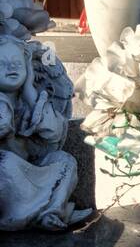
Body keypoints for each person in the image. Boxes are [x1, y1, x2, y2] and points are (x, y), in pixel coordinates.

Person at [0, 35, 90, 231]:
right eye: (3, 63)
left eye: (17, 63)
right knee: (6, 163)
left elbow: (54, 135)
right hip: (7, 175)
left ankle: (52, 212)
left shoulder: (32, 99)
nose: (11, 68)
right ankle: (17, 216)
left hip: (31, 169)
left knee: (64, 160)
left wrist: (30, 93)